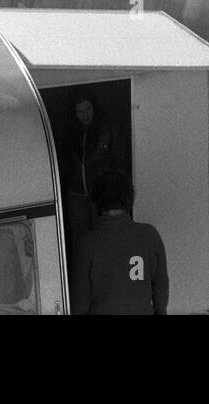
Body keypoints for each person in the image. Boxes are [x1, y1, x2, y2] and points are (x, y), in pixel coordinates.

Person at [70, 171, 168, 315]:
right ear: (129, 198)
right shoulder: (150, 235)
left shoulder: (87, 244)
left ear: (96, 200)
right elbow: (161, 289)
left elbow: (80, 303)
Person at [61, 91, 125, 240]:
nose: (85, 115)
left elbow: (119, 159)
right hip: (76, 195)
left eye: (88, 109)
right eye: (80, 111)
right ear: (74, 113)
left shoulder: (108, 128)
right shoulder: (70, 132)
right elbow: (65, 162)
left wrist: (113, 192)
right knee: (81, 239)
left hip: (101, 193)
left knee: (104, 237)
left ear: (94, 108)